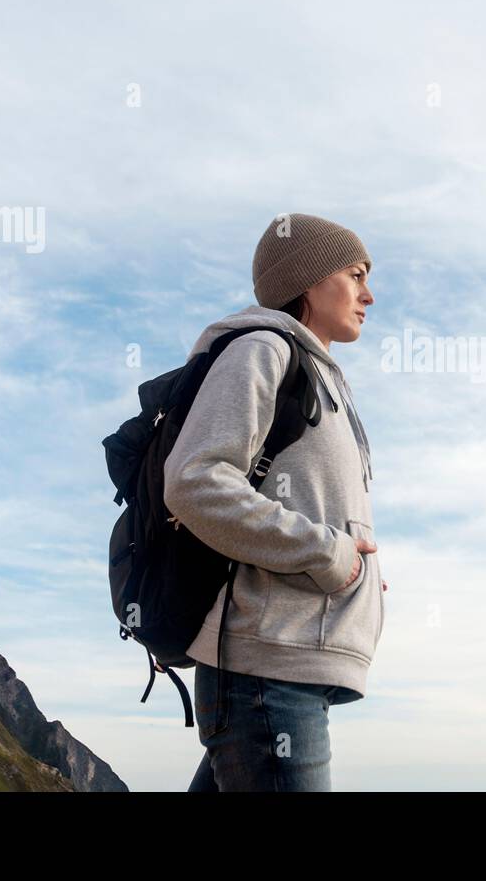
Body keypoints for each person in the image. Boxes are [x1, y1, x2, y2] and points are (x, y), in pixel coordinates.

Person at [165, 213, 385, 792]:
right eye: (356, 274)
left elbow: (310, 511)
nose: (370, 294)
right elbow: (195, 481)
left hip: (282, 668)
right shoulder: (262, 351)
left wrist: (355, 569)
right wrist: (329, 555)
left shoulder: (322, 375)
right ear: (309, 280)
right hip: (266, 673)